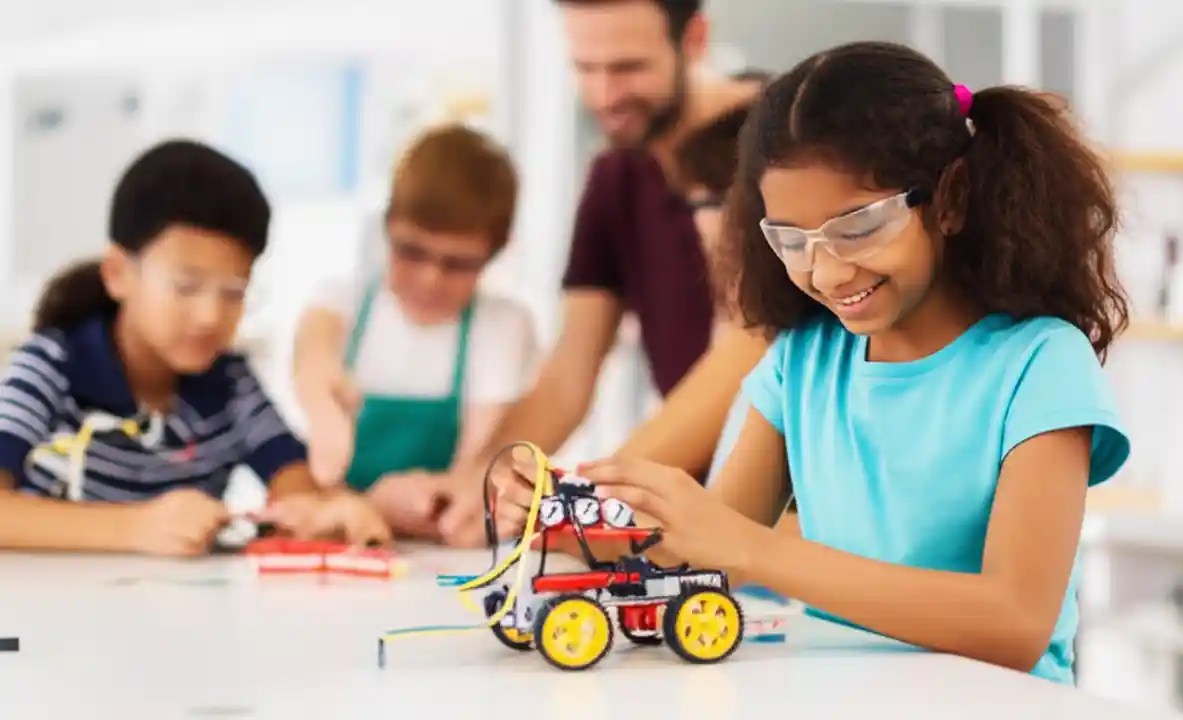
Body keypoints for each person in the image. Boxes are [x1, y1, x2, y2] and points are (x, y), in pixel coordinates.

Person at [506, 41, 1133, 684]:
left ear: (950, 199)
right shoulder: (802, 360)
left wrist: (751, 549)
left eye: (858, 228)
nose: (826, 271)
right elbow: (701, 558)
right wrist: (559, 514)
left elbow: (1015, 623)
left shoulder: (1040, 364)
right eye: (792, 241)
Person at [434, 0, 769, 546]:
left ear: (695, 40)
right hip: (692, 516)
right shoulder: (616, 177)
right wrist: (483, 483)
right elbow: (570, 371)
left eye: (628, 68)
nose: (604, 96)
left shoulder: (784, 144)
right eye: (585, 68)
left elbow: (748, 354)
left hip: (792, 511)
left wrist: (584, 499)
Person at [0, 140, 390, 556]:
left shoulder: (231, 383)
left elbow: (295, 489)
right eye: (186, 286)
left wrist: (327, 512)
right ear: (118, 274)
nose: (209, 316)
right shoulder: (51, 367)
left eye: (234, 291)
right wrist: (134, 528)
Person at [291, 124, 536, 538]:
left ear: (497, 252)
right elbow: (314, 368)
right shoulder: (337, 304)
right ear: (386, 227)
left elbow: (470, 483)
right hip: (339, 538)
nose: (429, 279)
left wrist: (426, 503)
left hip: (443, 552)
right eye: (411, 251)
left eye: (457, 264)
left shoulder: (503, 327)